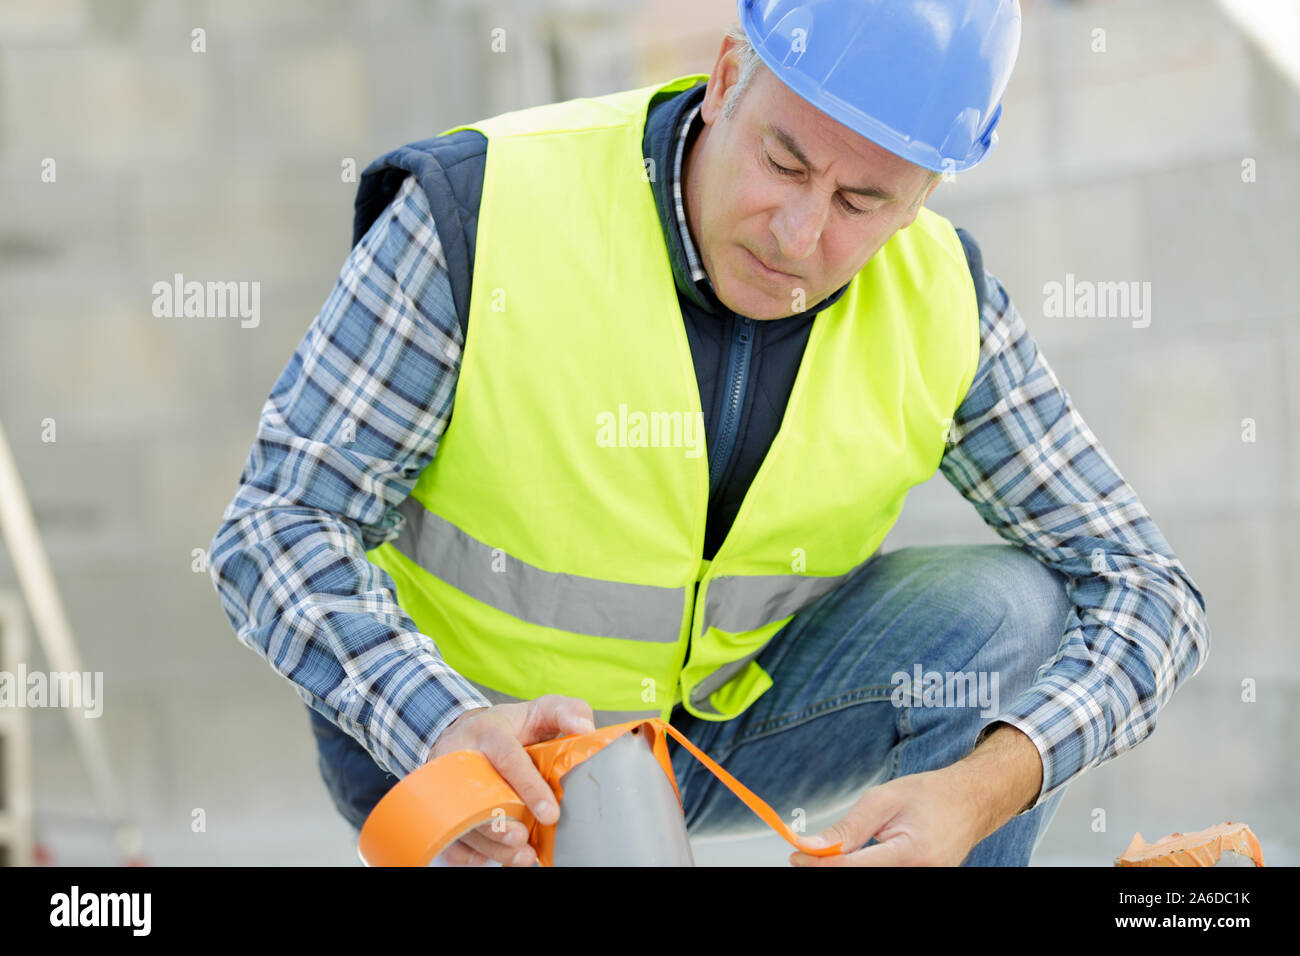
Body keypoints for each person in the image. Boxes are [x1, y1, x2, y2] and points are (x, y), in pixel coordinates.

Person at [209, 0, 1208, 867]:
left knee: (1008, 610)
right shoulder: (478, 212)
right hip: (470, 742)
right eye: (785, 159)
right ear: (727, 76)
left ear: (923, 197)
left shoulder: (945, 301)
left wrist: (986, 785)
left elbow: (1148, 588)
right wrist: (441, 721)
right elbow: (276, 523)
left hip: (720, 729)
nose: (799, 235)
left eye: (864, 201)